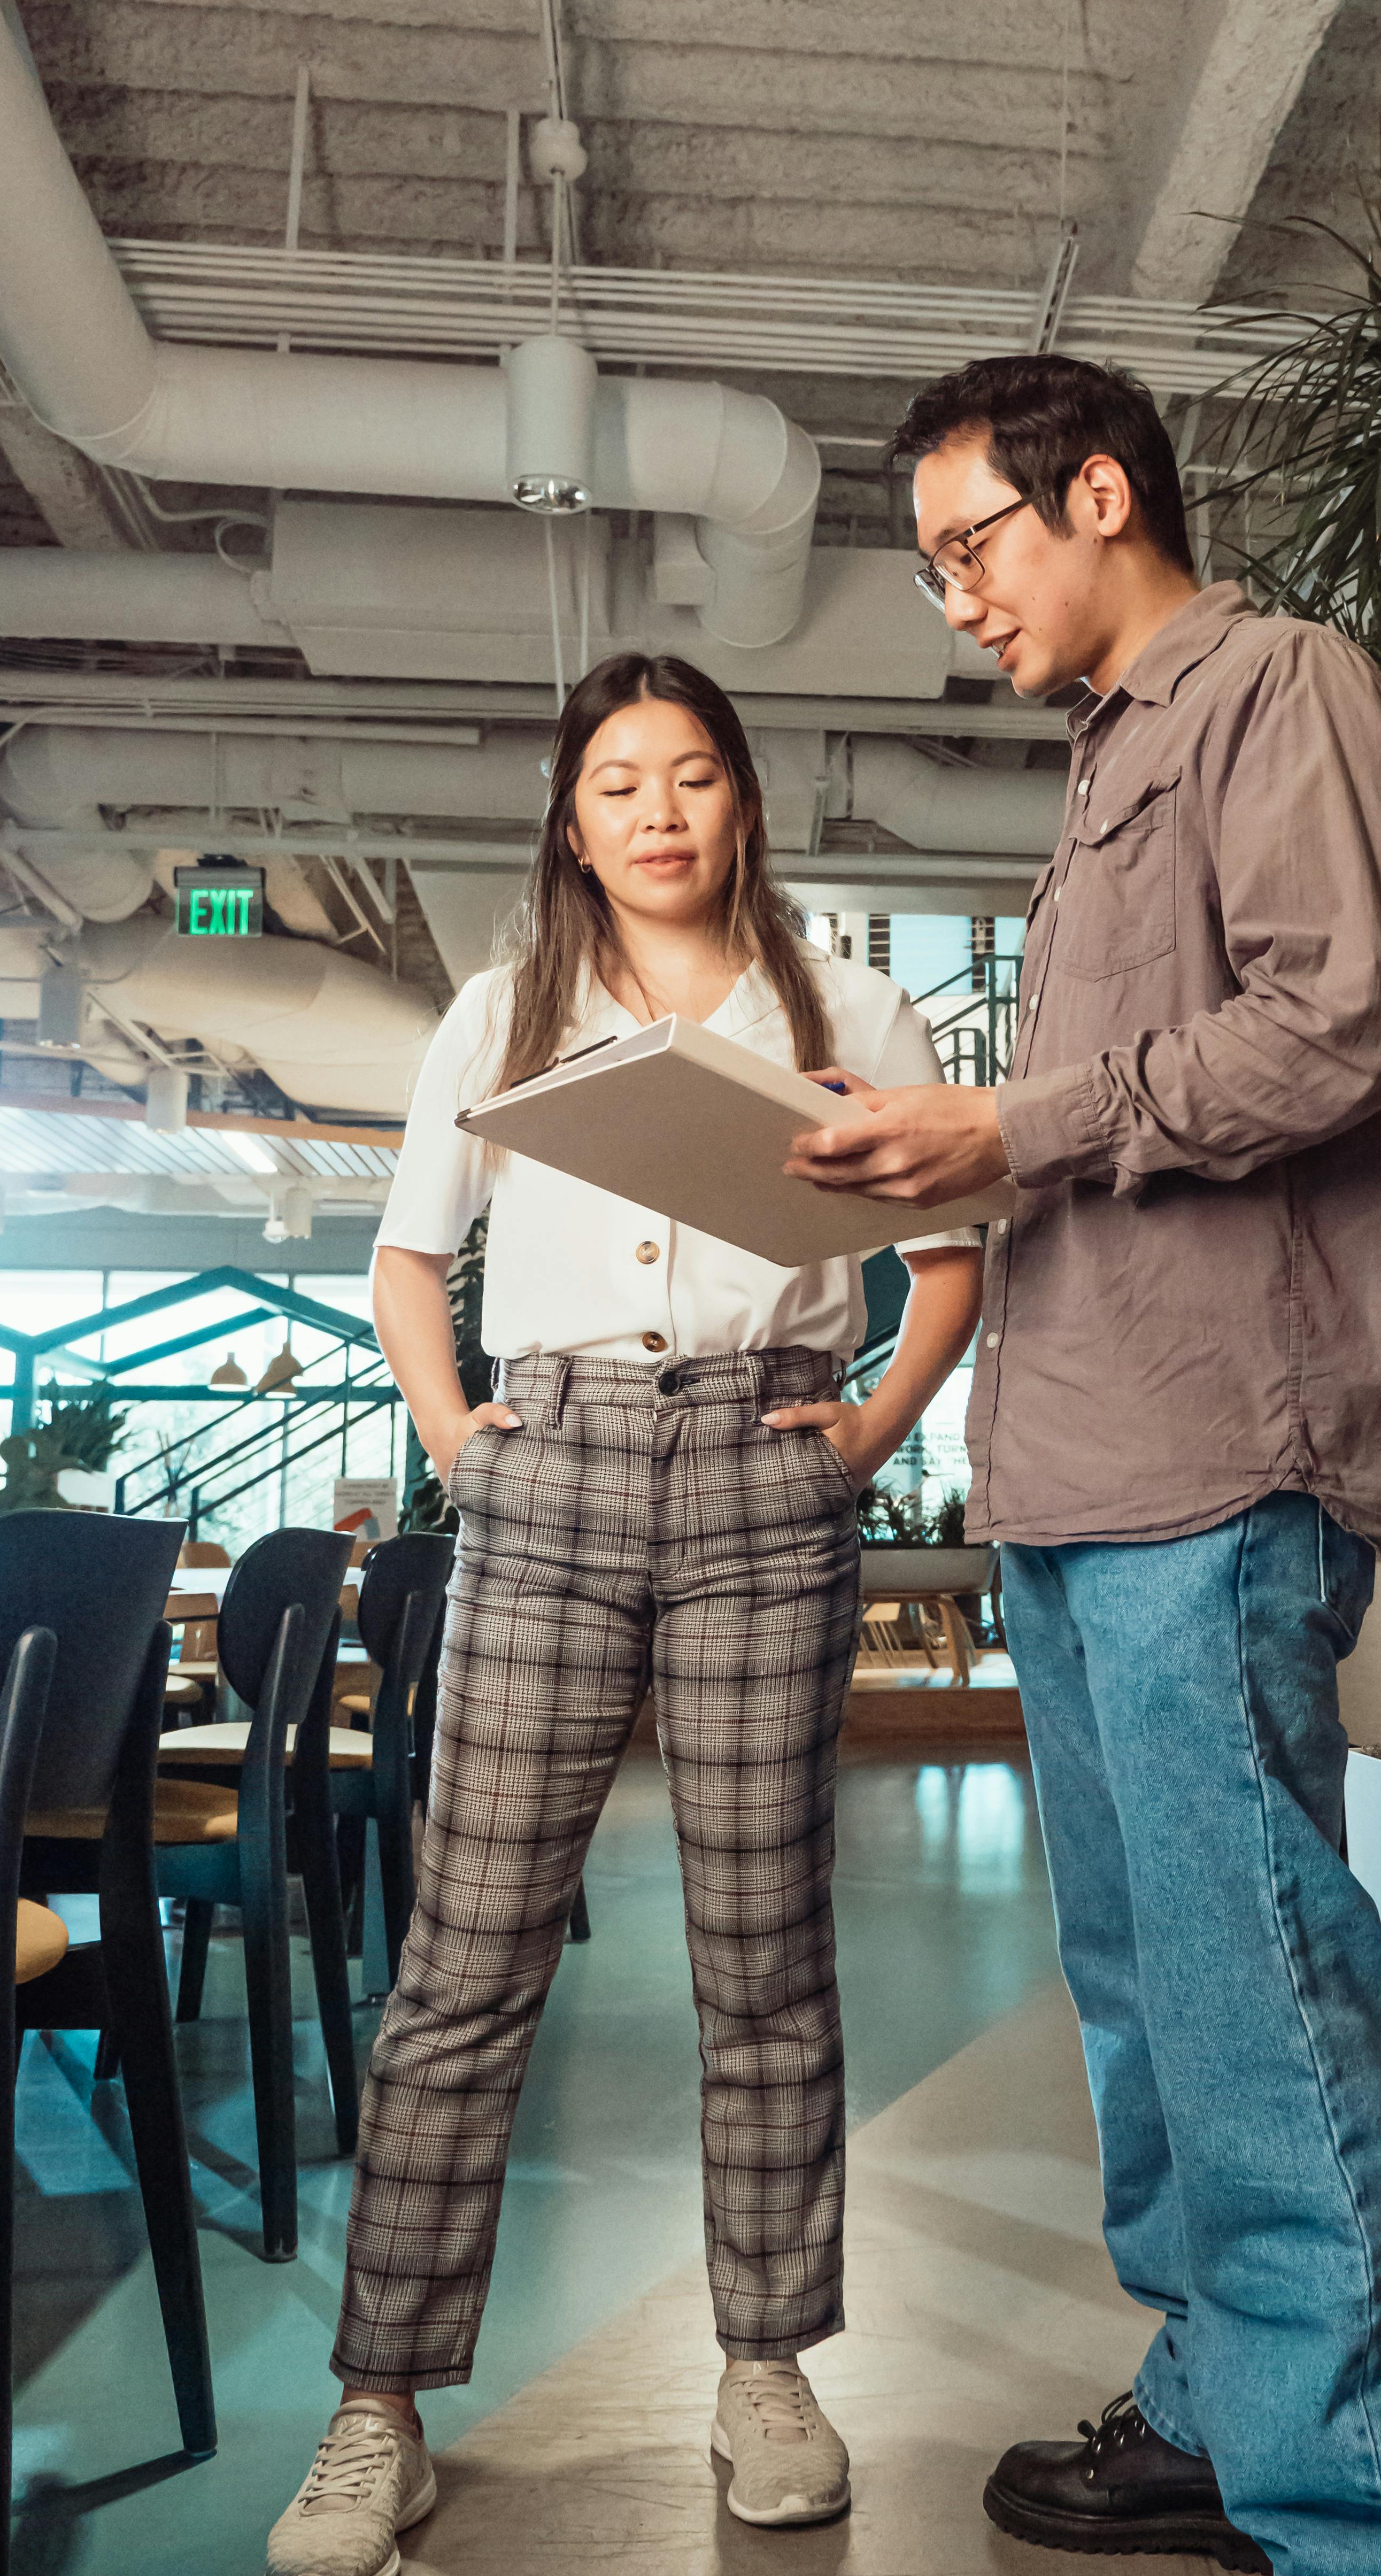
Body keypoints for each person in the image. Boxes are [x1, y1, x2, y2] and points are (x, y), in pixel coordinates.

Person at [784, 356, 1381, 2576]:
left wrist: (1008, 1124)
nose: (958, 597)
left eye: (972, 544)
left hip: (1216, 1462)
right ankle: (1215, 2395)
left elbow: (1343, 1019)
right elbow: (1116, 1127)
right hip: (1078, 1474)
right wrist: (929, 1169)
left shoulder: (1280, 686)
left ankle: (1353, 2512)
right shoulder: (1097, 781)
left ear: (1101, 491)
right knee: (1146, 2001)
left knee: (1255, 1995)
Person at [266, 652, 983, 2576]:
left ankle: (765, 2368)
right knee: (464, 1960)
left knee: (763, 1954)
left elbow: (947, 1257)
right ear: (571, 819)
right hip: (551, 1474)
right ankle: (379, 2409)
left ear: (742, 798)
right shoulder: (504, 1013)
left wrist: (871, 1438)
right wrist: (458, 1445)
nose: (657, 812)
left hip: (771, 1477)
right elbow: (410, 1259)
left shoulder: (857, 1006)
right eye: (617, 783)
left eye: (689, 775)